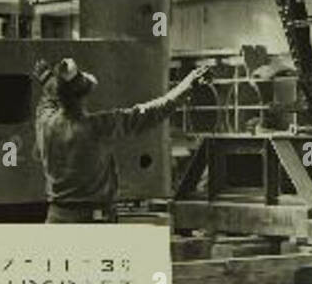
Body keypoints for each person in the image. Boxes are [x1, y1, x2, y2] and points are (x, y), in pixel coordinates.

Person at [34, 57, 214, 223]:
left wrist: (49, 78)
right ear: (84, 95)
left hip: (56, 218)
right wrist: (187, 85)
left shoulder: (45, 122)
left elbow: (50, 96)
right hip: (93, 221)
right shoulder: (99, 127)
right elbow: (150, 113)